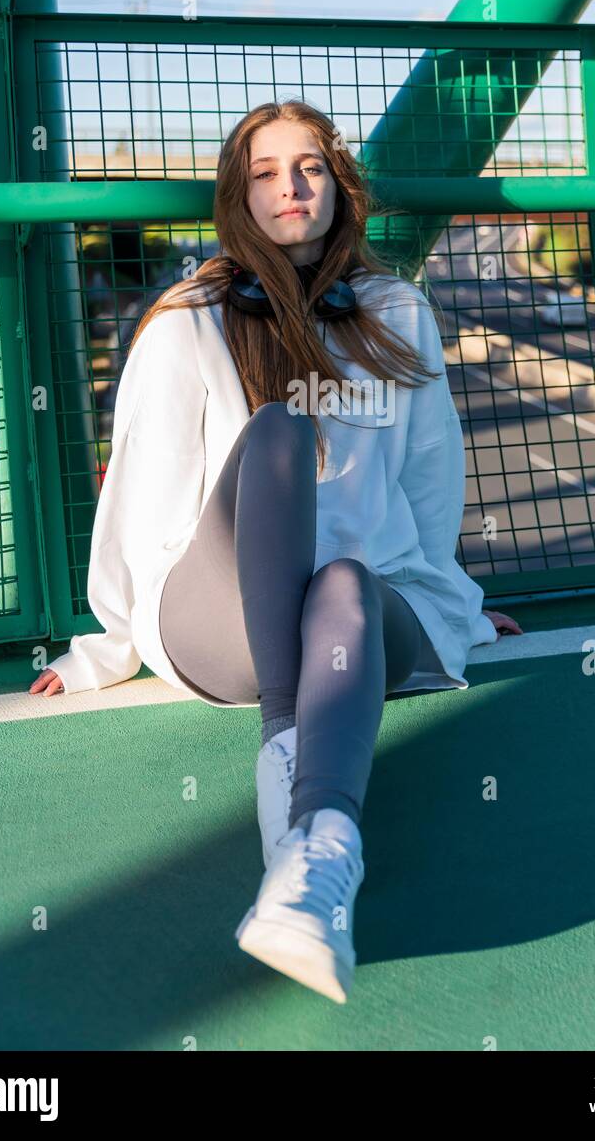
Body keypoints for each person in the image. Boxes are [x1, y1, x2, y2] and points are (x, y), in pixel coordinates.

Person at [29, 99, 522, 1004]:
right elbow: (147, 498)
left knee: (345, 578)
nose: (290, 186)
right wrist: (108, 648)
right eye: (264, 172)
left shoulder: (397, 312)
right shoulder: (189, 319)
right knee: (279, 434)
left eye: (310, 166)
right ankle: (288, 737)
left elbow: (425, 482)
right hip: (227, 621)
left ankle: (317, 863)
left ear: (339, 186)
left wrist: (448, 596)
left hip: (356, 612)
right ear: (237, 196)